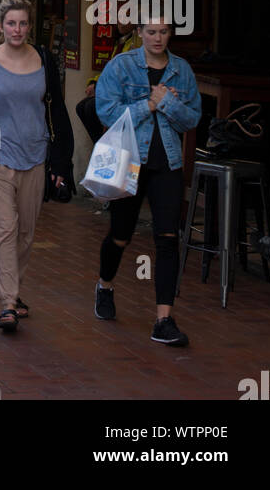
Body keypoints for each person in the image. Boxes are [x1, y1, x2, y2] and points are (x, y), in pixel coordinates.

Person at [0, 0, 74, 334]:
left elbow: (56, 111)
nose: (17, 29)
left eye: (23, 23)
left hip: (35, 159)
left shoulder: (42, 60)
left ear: (29, 26)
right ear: (0, 26)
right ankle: (8, 302)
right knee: (3, 231)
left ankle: (14, 291)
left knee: (25, 234)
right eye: (11, 23)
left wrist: (60, 163)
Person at [94, 17, 201, 347]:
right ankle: (105, 285)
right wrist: (148, 104)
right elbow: (107, 112)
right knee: (121, 236)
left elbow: (192, 117)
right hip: (129, 162)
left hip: (167, 164)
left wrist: (166, 102)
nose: (157, 38)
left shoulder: (181, 70)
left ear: (171, 33)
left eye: (164, 31)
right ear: (139, 33)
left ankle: (163, 320)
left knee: (168, 238)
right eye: (151, 31)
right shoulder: (121, 66)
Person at [76, 25, 140, 144]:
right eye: (119, 18)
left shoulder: (136, 42)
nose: (121, 23)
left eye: (126, 18)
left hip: (125, 93)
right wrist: (95, 82)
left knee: (91, 107)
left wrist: (99, 87)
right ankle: (100, 144)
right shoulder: (119, 42)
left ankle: (104, 144)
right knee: (81, 107)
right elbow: (109, 70)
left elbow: (123, 73)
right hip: (112, 89)